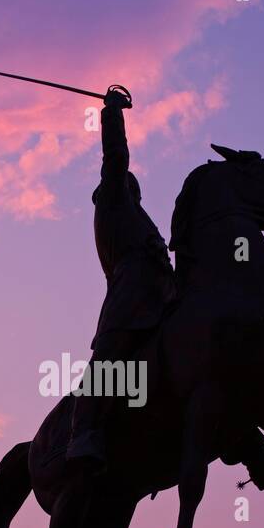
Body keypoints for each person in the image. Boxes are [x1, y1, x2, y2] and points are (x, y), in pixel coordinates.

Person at [68, 86, 175, 468]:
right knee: (109, 362)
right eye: (132, 187)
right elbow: (115, 156)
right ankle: (84, 432)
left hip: (163, 297)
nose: (137, 192)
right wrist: (112, 112)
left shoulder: (139, 217)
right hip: (130, 301)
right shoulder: (113, 200)